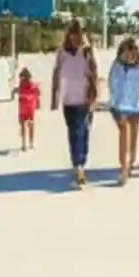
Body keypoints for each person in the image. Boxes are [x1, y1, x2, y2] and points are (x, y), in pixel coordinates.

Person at [51, 19, 98, 188]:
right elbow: (56, 74)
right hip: (68, 99)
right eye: (73, 35)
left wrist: (94, 97)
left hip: (84, 98)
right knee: (75, 131)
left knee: (82, 130)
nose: (75, 38)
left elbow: (94, 74)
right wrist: (54, 97)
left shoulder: (87, 52)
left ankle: (80, 164)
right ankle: (78, 162)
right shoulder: (62, 53)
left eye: (78, 35)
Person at [108, 36, 139, 185]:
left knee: (133, 136)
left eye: (132, 53)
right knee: (124, 134)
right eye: (126, 53)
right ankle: (124, 168)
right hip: (120, 105)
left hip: (134, 105)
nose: (129, 56)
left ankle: (131, 161)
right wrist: (112, 101)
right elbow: (111, 82)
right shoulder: (117, 66)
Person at [16, 67, 40, 151]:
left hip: (23, 107)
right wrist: (37, 103)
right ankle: (31, 142)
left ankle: (23, 144)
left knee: (23, 125)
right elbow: (37, 94)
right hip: (30, 107)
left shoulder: (21, 85)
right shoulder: (33, 85)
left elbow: (19, 93)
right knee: (31, 124)